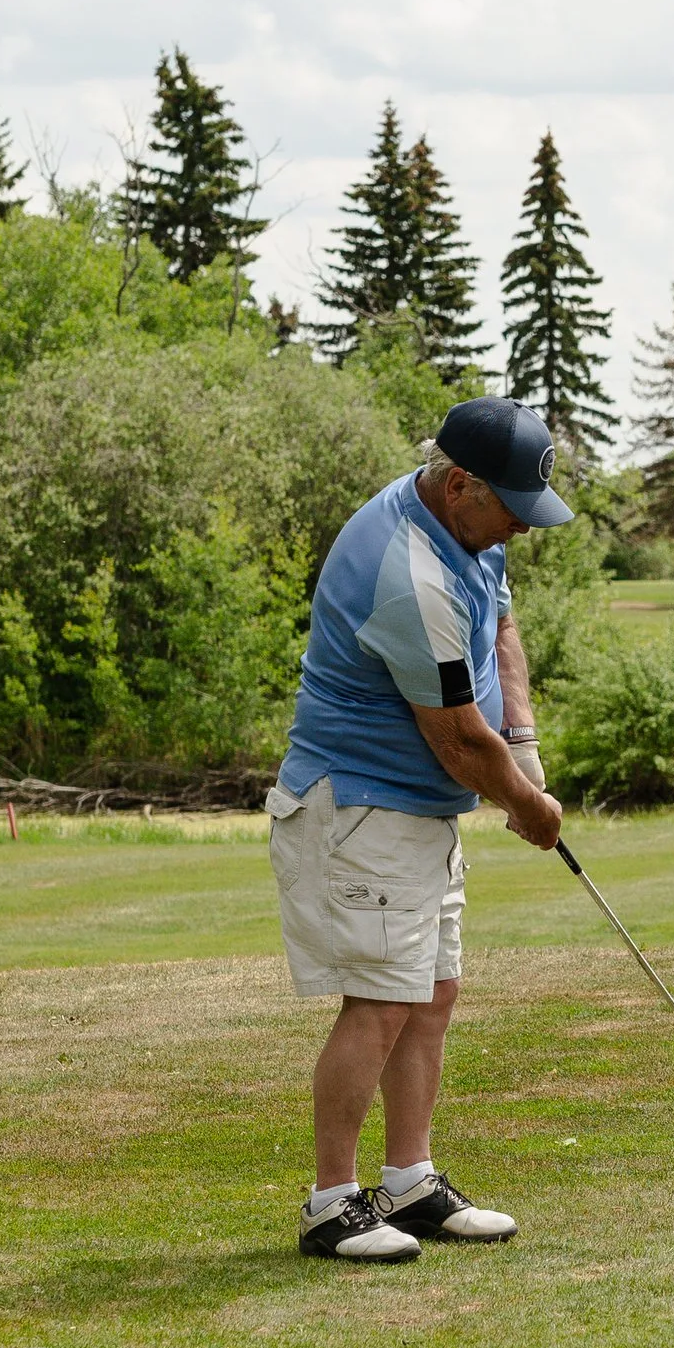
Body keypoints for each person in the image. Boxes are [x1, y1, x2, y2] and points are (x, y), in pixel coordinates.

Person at [266, 394, 569, 1262]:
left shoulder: (468, 531)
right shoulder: (408, 572)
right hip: (361, 809)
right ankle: (332, 1204)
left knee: (431, 994)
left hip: (416, 812)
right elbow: (456, 737)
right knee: (383, 1003)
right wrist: (527, 807)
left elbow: (502, 628)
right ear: (461, 483)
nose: (517, 529)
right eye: (510, 509)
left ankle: (409, 1183)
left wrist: (529, 749)